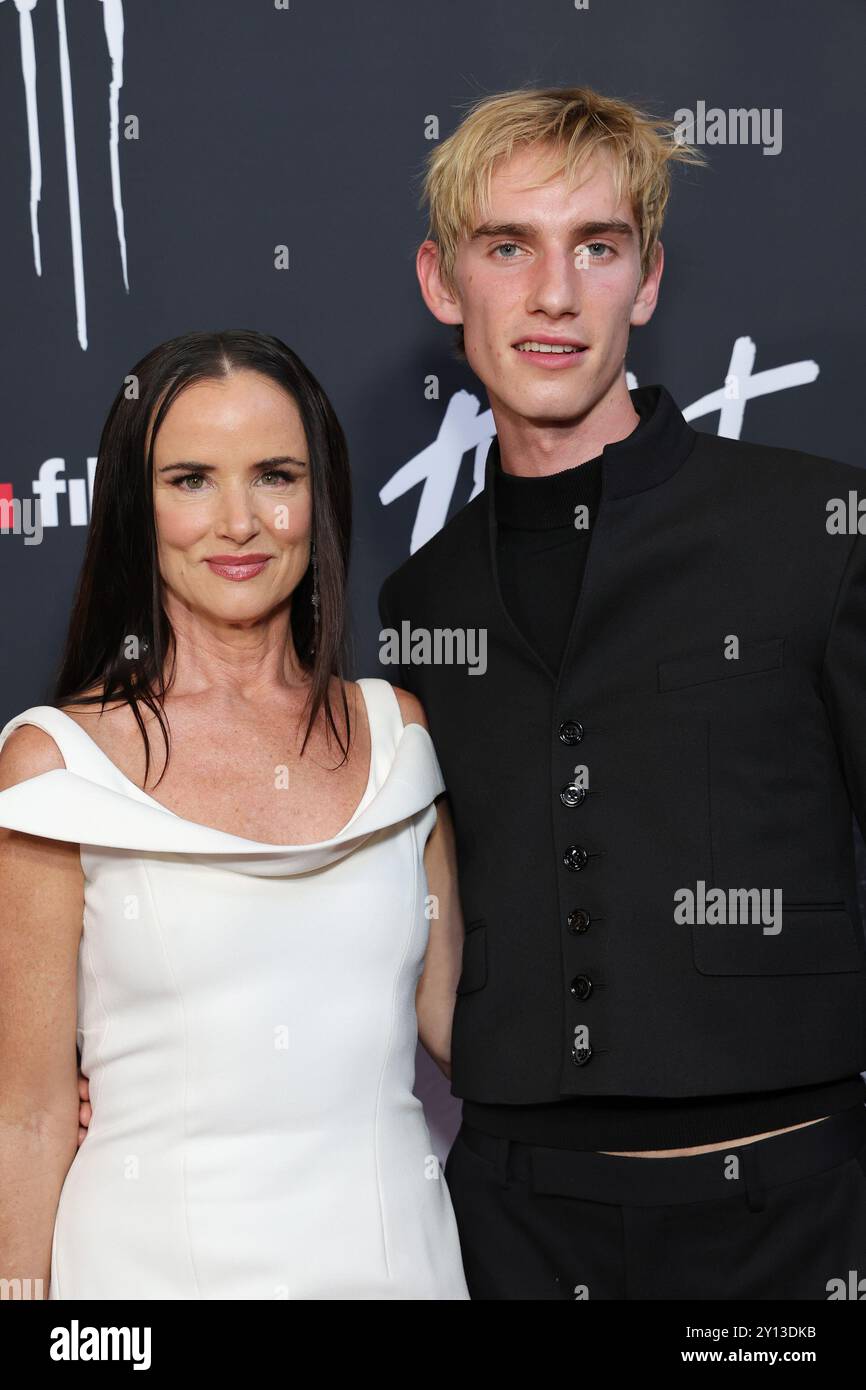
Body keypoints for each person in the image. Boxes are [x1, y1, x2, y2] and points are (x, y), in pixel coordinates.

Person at [377, 87, 866, 1299]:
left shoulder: (814, 525)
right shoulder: (417, 600)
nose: (553, 294)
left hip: (789, 1218)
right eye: (509, 247)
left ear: (644, 282)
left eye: (594, 247)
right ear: (444, 283)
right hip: (515, 1221)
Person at [0, 329, 469, 1300]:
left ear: (318, 495)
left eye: (274, 474)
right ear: (138, 507)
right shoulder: (53, 764)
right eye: (190, 479)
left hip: (398, 1273)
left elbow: (470, 1029)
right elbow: (30, 1115)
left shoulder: (399, 737)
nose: (239, 521)